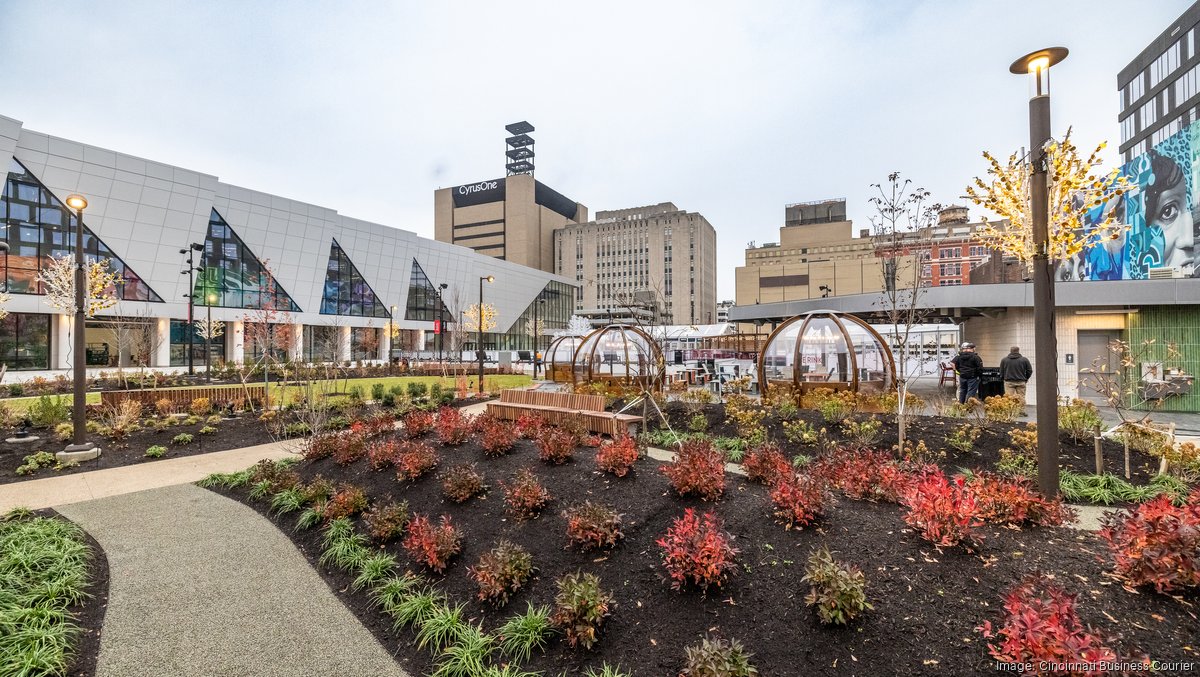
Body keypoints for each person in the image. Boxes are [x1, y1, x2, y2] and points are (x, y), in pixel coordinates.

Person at [998, 346, 1033, 410]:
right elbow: (1029, 370)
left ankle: (1010, 411)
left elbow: (1001, 371)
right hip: (1021, 381)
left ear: (1010, 351)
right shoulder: (1024, 360)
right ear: (1018, 351)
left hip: (1009, 382)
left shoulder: (1004, 360)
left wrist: (1003, 378)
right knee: (1021, 397)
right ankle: (1021, 411)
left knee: (1009, 398)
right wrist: (1026, 378)